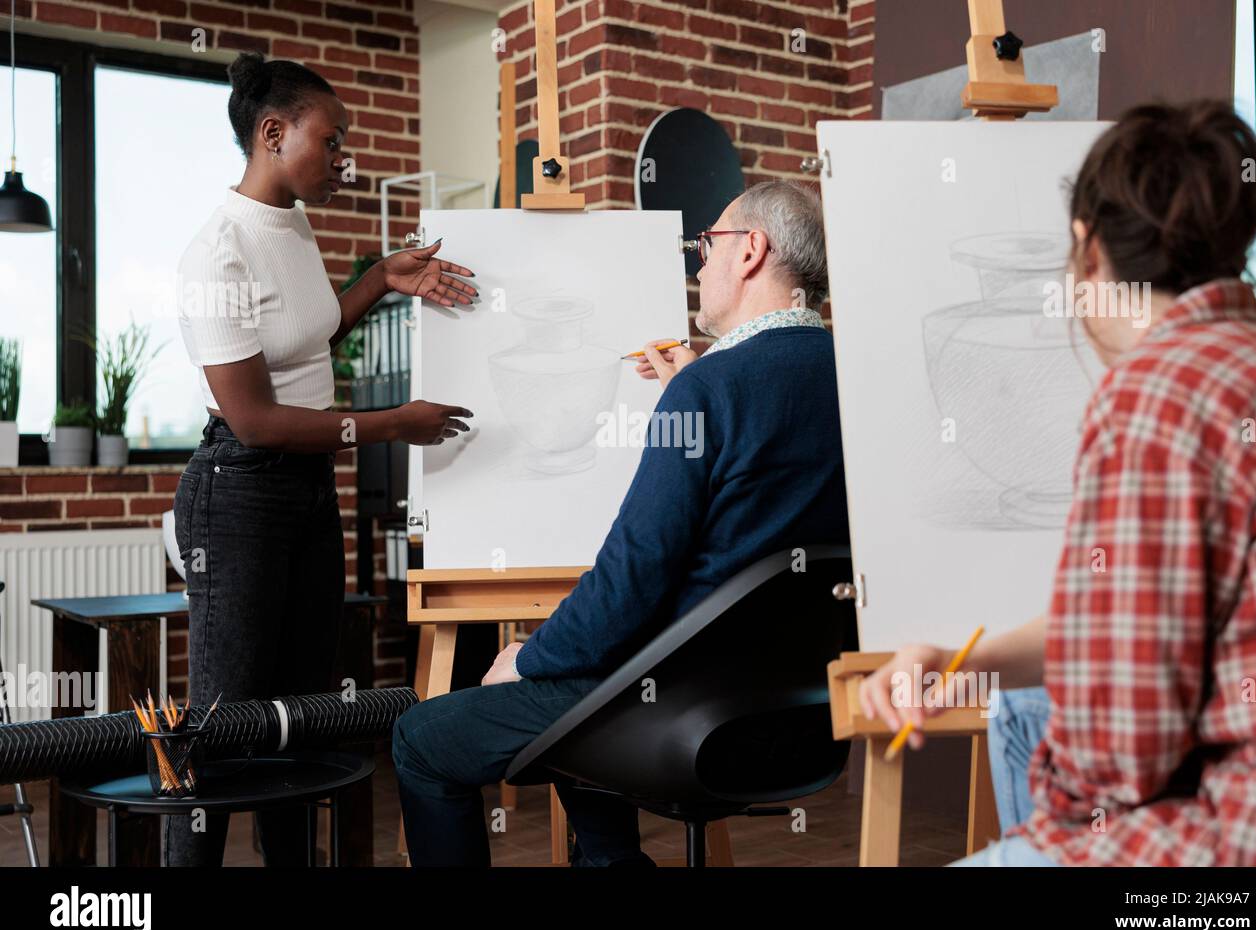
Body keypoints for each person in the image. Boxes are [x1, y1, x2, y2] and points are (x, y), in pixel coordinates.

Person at [860, 100, 1256, 866]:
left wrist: (1051, 830)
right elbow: (1126, 625)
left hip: (1239, 852)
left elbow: (1120, 756)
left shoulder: (1154, 394)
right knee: (1022, 703)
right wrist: (960, 663)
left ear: (1087, 251)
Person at [392, 180, 850, 866]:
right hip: (805, 718)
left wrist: (530, 657)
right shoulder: (851, 376)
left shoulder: (709, 389)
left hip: (679, 713)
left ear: (752, 250)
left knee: (422, 740)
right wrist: (690, 398)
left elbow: (636, 571)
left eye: (709, 243)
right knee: (594, 677)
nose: (699, 263)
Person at [166, 52, 477, 866]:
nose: (345, 159)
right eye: (331, 142)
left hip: (306, 490)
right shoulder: (216, 253)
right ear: (273, 134)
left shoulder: (292, 224)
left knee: (299, 720)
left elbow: (306, 337)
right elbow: (259, 419)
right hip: (238, 490)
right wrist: (391, 424)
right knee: (223, 725)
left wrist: (379, 279)